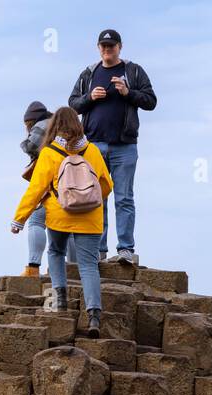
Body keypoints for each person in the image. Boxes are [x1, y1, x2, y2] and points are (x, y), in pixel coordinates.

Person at [11, 106, 113, 337]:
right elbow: (107, 184)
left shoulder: (49, 153)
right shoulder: (93, 151)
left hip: (59, 215)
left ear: (55, 126)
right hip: (90, 218)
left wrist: (19, 219)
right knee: (88, 265)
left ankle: (58, 301)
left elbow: (35, 190)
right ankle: (94, 316)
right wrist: (88, 200)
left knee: (56, 251)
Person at [67, 28, 156, 264]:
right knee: (96, 198)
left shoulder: (133, 71)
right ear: (98, 48)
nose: (108, 50)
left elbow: (151, 101)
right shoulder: (89, 73)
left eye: (112, 46)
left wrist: (128, 93)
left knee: (124, 198)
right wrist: (89, 98)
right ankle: (99, 250)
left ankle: (125, 249)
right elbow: (72, 105)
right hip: (93, 146)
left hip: (125, 146)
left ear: (120, 47)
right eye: (104, 46)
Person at [19, 100, 52, 277]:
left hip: (48, 180)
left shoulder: (42, 125)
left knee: (36, 220)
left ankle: (33, 266)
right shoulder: (62, 124)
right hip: (71, 182)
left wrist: (23, 144)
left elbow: (31, 146)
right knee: (68, 228)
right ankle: (71, 267)